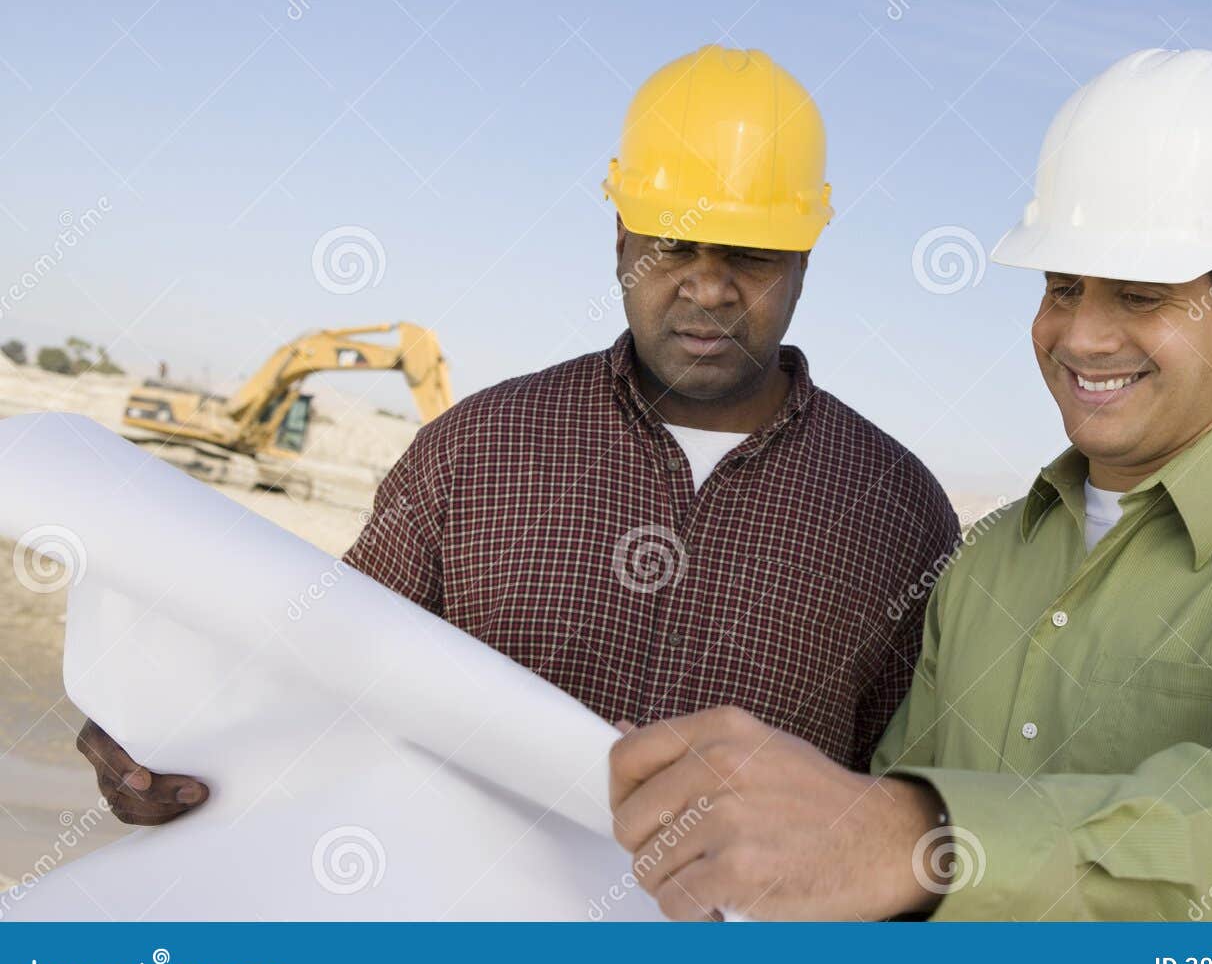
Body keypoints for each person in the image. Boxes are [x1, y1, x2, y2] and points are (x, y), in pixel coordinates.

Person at [608, 48, 1212, 922]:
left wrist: (919, 837)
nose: (1082, 337)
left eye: (1138, 296)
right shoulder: (986, 564)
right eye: (1063, 287)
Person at [78, 45, 960, 825]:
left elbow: (908, 814)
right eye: (675, 245)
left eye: (749, 255)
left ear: (805, 258)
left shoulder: (897, 513)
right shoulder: (475, 449)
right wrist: (170, 735)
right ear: (621, 241)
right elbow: (318, 686)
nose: (708, 287)